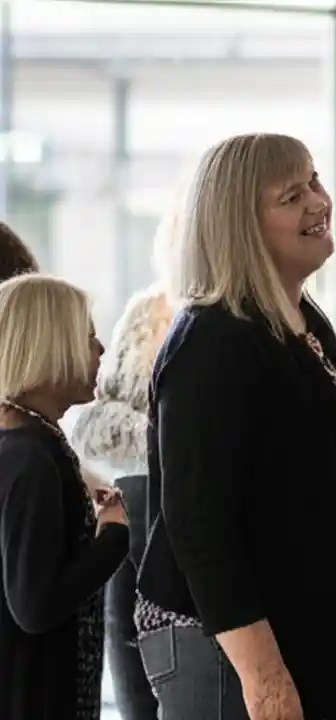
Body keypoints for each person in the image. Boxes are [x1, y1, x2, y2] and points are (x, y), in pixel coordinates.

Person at [133, 133, 336, 719]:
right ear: (242, 227)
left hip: (312, 633)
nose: (319, 201)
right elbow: (199, 524)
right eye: (291, 195)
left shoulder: (302, 322)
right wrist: (263, 676)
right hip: (234, 649)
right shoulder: (213, 341)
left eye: (314, 181)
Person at [70, 196, 184, 720]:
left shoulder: (245, 322)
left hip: (192, 529)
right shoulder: (146, 312)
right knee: (135, 690)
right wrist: (168, 438)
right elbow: (95, 426)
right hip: (133, 521)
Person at [0, 273, 128, 719]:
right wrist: (114, 536)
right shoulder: (32, 458)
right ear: (49, 345)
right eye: (89, 336)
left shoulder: (22, 444)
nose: (101, 350)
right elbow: (35, 606)